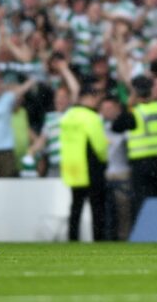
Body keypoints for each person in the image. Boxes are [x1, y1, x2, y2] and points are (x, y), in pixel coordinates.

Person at [112, 75, 157, 226]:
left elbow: (116, 127)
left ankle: (144, 228)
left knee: (141, 199)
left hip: (141, 163)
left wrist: (128, 106)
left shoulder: (136, 112)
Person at [59, 80, 108, 242]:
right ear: (89, 97)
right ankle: (98, 239)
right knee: (97, 207)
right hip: (91, 166)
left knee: (76, 206)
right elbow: (99, 146)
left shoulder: (67, 116)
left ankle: (73, 238)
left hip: (73, 168)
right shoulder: (91, 117)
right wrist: (104, 160)